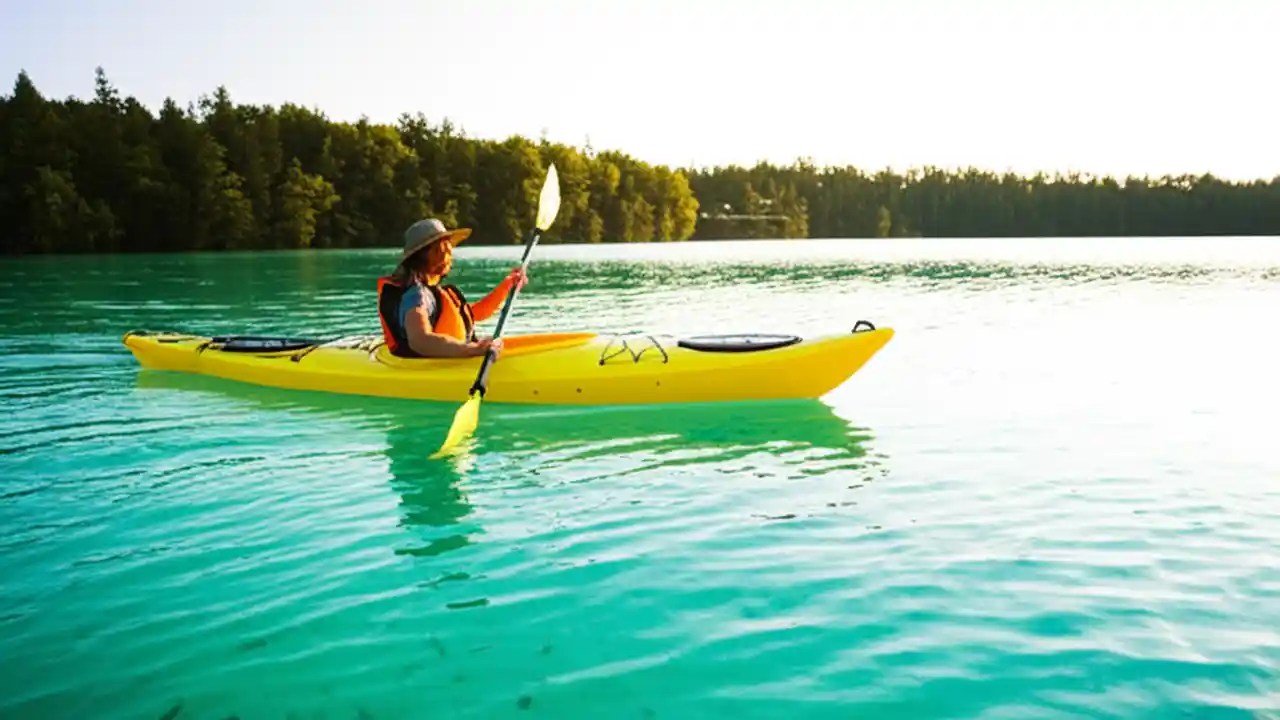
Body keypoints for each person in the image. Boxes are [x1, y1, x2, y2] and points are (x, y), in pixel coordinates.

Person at [377, 218, 527, 359]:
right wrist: (473, 350)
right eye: (442, 250)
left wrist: (507, 285)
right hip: (429, 371)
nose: (449, 255)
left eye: (448, 250)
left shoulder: (433, 292)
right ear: (423, 256)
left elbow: (473, 314)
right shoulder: (417, 296)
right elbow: (420, 340)